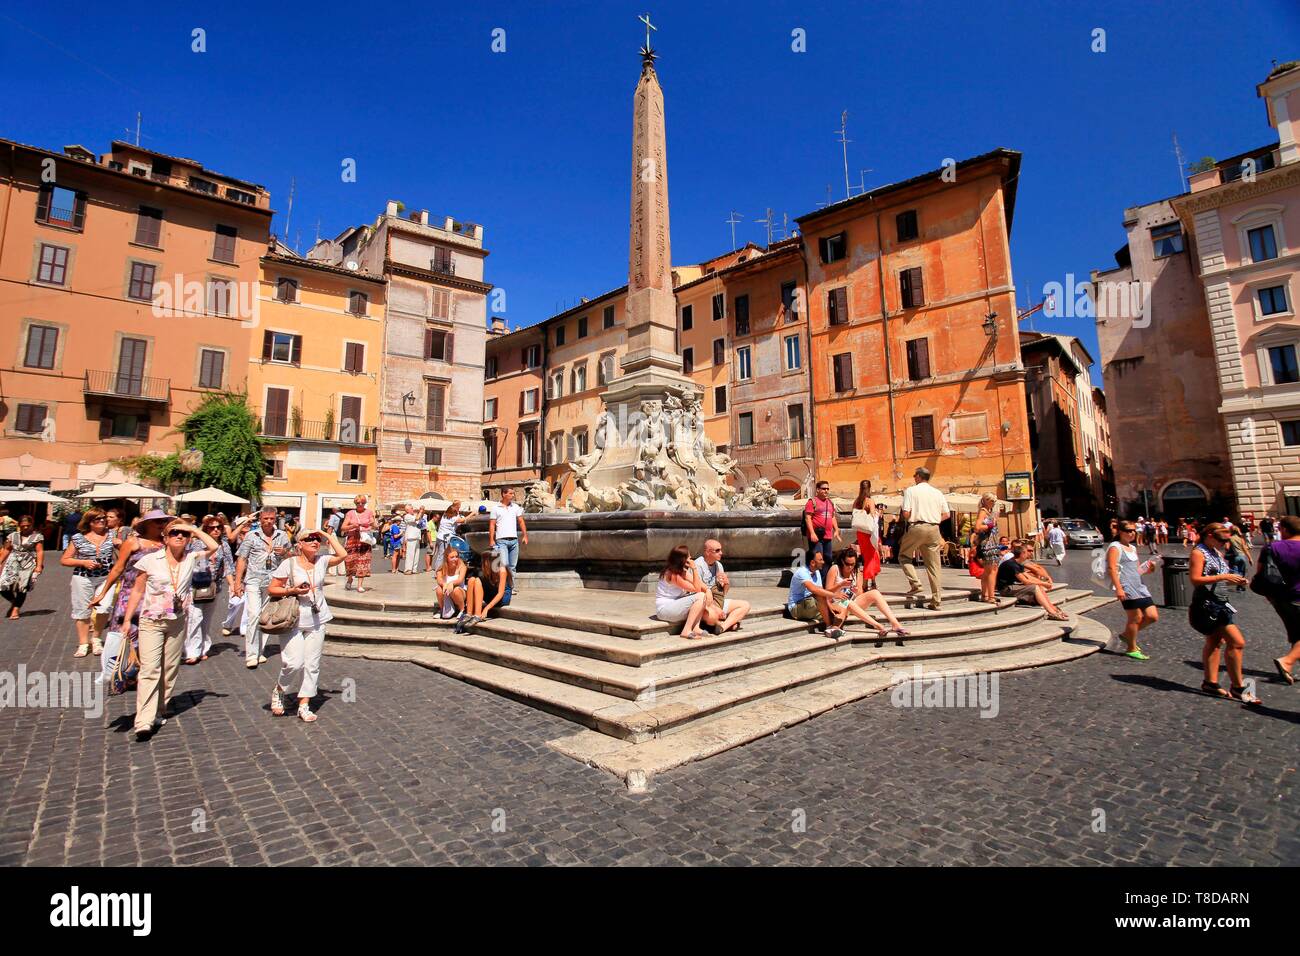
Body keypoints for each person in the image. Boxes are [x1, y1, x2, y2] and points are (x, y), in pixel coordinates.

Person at [120, 519, 218, 741]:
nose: (179, 536)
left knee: (170, 667)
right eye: (174, 532)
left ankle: (160, 708)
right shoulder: (150, 560)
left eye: (183, 534)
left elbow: (214, 546)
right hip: (151, 621)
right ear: (165, 537)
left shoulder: (191, 558)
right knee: (150, 668)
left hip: (177, 620)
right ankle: (144, 720)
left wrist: (192, 528)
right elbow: (137, 591)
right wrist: (127, 619)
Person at [266, 529, 346, 723]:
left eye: (316, 539)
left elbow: (343, 555)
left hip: (317, 618)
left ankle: (304, 704)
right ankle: (280, 689)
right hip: (293, 618)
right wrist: (292, 590)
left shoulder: (322, 561)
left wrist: (326, 535)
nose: (314, 541)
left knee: (312, 664)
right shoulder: (289, 563)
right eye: (308, 539)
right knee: (294, 662)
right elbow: (272, 588)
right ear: (299, 544)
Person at [93, 510, 170, 688]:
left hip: (154, 596)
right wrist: (103, 592)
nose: (161, 524)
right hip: (130, 595)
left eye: (164, 521)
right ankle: (119, 670)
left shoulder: (165, 543)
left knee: (149, 635)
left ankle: (140, 673)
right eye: (157, 521)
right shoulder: (133, 542)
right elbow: (118, 568)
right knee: (125, 634)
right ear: (146, 524)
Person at [1188, 523, 1259, 703]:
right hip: (1208, 604)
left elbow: (1219, 579)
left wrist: (1236, 581)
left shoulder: (1216, 552)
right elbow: (1195, 579)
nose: (1224, 544)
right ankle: (1238, 687)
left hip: (1221, 602)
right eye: (1222, 540)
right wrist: (1224, 577)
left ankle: (1210, 683)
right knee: (1237, 642)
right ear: (1209, 535)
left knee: (1214, 641)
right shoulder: (1199, 552)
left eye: (1227, 540)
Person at [234, 505, 292, 668]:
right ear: (260, 520)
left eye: (271, 519)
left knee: (266, 617)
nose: (268, 522)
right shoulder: (252, 536)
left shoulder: (282, 536)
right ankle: (251, 654)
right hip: (253, 580)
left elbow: (291, 555)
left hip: (273, 581)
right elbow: (242, 559)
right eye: (265, 519)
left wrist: (285, 553)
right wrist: (238, 582)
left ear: (275, 519)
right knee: (253, 615)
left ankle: (260, 650)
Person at [61, 509, 115, 657]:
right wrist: (83, 562)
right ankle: (84, 643)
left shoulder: (112, 535)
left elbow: (123, 550)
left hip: (106, 577)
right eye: (97, 519)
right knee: (82, 610)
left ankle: (96, 638)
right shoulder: (78, 538)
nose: (102, 521)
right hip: (83, 577)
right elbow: (65, 559)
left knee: (104, 607)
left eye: (104, 518)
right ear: (89, 522)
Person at [824, 548, 908, 641]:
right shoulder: (835, 569)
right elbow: (827, 592)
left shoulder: (856, 572)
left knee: (874, 593)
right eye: (847, 564)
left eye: (853, 564)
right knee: (847, 601)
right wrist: (840, 585)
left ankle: (895, 624)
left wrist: (855, 590)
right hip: (836, 603)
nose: (850, 567)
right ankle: (877, 625)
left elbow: (860, 593)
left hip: (849, 602)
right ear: (842, 561)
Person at [184, 515, 234, 665]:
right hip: (196, 585)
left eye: (219, 527)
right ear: (206, 529)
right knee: (194, 618)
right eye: (212, 527)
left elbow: (228, 566)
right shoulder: (197, 544)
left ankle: (203, 648)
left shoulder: (224, 545)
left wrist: (233, 585)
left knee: (206, 619)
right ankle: (192, 651)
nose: (216, 530)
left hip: (214, 586)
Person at [898, 467, 950, 610]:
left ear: (919, 477)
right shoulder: (937, 492)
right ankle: (936, 600)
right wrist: (933, 519)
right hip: (934, 528)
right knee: (934, 566)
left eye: (915, 475)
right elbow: (947, 514)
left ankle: (916, 583)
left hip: (917, 527)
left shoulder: (911, 491)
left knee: (904, 555)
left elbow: (907, 514)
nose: (914, 477)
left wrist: (913, 515)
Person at [1105, 522, 1157, 660]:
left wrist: (1149, 568)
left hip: (1139, 585)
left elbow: (1137, 569)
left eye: (1133, 531)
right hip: (1126, 586)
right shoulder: (1115, 547)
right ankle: (1131, 647)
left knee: (1152, 616)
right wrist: (1119, 588)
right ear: (1120, 532)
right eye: (1128, 531)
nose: (1132, 533)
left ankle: (1127, 634)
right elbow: (1112, 569)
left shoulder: (1132, 548)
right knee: (1136, 617)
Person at [1265, 515, 1300, 685]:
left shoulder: (1271, 547)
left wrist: (1270, 597)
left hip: (1279, 599)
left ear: (1284, 529)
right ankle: (1287, 661)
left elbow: (1262, 575)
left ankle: (1289, 666)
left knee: (1296, 633)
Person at [996, 543, 1070, 621]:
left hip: (1012, 586)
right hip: (1005, 589)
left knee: (1038, 586)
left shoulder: (1017, 563)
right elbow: (1025, 581)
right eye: (1027, 552)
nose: (1029, 554)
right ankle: (1051, 613)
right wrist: (1044, 583)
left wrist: (1042, 582)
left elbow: (1029, 577)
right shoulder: (1011, 564)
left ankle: (1053, 608)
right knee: (1035, 587)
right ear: (1022, 554)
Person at [694, 538, 751, 633]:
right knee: (712, 615)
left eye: (720, 550)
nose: (721, 553)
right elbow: (696, 592)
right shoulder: (698, 565)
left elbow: (723, 593)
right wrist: (714, 608)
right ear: (707, 552)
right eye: (717, 550)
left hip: (718, 601)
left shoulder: (719, 565)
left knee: (745, 605)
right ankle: (726, 623)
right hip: (704, 603)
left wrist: (727, 583)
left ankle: (722, 627)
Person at [655, 545, 711, 639]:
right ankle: (686, 630)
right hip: (664, 610)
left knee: (703, 595)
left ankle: (696, 627)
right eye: (689, 557)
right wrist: (694, 569)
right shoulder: (672, 575)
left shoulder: (681, 571)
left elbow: (701, 585)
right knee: (700, 596)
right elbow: (697, 589)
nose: (691, 558)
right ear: (682, 559)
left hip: (675, 606)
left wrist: (708, 591)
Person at [786, 549, 843, 638]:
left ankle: (834, 627)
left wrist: (830, 605)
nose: (823, 562)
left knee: (837, 613)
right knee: (819, 595)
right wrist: (835, 595)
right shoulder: (802, 572)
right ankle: (828, 627)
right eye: (820, 560)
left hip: (811, 604)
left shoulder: (817, 572)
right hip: (797, 607)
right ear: (812, 562)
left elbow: (821, 590)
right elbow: (815, 590)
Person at [0, 514, 44, 619]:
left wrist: (39, 566)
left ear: (32, 525)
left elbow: (39, 551)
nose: (25, 527)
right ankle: (14, 602)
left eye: (28, 525)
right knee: (2, 586)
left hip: (28, 563)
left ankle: (16, 609)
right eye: (23, 525)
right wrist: (0, 561)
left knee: (21, 587)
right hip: (13, 562)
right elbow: (7, 549)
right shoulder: (12, 535)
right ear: (19, 525)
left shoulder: (37, 536)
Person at [460, 549, 512, 631]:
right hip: (492, 593)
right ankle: (469, 613)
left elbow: (500, 594)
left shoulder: (502, 570)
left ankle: (477, 615)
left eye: (484, 560)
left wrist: (486, 608)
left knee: (477, 580)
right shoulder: (488, 569)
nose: (482, 562)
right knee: (472, 580)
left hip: (502, 598)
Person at [489, 488, 527, 589]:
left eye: (513, 493)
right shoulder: (495, 508)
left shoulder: (515, 507)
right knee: (503, 565)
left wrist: (525, 535)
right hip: (501, 541)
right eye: (510, 493)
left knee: (512, 566)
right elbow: (492, 525)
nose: (513, 495)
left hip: (514, 540)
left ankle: (511, 588)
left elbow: (521, 521)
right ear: (503, 494)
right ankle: (503, 588)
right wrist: (491, 540)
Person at [340, 494, 376, 592]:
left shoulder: (369, 512)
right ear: (355, 503)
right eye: (358, 502)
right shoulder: (350, 513)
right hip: (353, 540)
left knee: (363, 561)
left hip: (364, 540)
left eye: (362, 502)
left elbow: (374, 525)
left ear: (365, 503)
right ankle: (350, 578)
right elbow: (343, 528)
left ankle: (360, 585)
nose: (360, 504)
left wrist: (371, 524)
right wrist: (353, 526)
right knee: (350, 561)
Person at [803, 480, 840, 570]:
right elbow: (808, 518)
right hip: (816, 536)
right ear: (818, 490)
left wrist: (836, 530)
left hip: (827, 536)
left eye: (827, 488)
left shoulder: (830, 502)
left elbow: (832, 517)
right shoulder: (812, 502)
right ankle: (816, 580)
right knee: (818, 560)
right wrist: (812, 533)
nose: (826, 490)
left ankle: (825, 581)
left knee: (828, 559)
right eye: (823, 489)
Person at [849, 480, 881, 582]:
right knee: (872, 557)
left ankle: (870, 581)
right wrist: (877, 513)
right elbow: (872, 515)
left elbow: (854, 513)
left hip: (860, 532)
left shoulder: (857, 501)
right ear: (869, 488)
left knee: (866, 556)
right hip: (868, 532)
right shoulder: (870, 501)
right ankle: (867, 582)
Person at [973, 493, 1000, 604]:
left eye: (994, 501)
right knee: (992, 571)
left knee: (988, 571)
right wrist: (990, 525)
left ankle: (985, 595)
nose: (993, 503)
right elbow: (977, 527)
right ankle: (991, 596)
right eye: (992, 500)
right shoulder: (983, 511)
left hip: (992, 543)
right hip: (988, 544)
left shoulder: (989, 512)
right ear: (986, 501)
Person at [435, 547, 469, 619]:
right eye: (452, 557)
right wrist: (444, 584)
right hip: (447, 593)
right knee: (438, 589)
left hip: (460, 592)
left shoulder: (462, 566)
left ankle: (462, 610)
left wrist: (451, 583)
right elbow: (439, 580)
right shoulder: (441, 568)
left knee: (455, 590)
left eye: (456, 556)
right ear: (446, 558)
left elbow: (460, 580)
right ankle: (442, 609)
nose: (455, 559)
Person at [433, 501, 466, 575]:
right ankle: (437, 573)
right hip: (445, 538)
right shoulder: (453, 518)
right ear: (453, 513)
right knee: (442, 555)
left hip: (440, 537)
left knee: (441, 555)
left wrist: (457, 509)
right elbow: (462, 520)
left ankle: (441, 571)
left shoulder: (444, 515)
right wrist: (472, 514)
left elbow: (456, 515)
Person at [400, 505, 424, 574]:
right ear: (407, 510)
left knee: (416, 554)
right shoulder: (407, 516)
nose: (413, 509)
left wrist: (421, 511)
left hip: (416, 537)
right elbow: (417, 518)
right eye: (411, 508)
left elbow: (420, 518)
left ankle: (414, 569)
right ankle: (408, 569)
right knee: (410, 554)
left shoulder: (413, 515)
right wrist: (420, 511)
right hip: (411, 537)